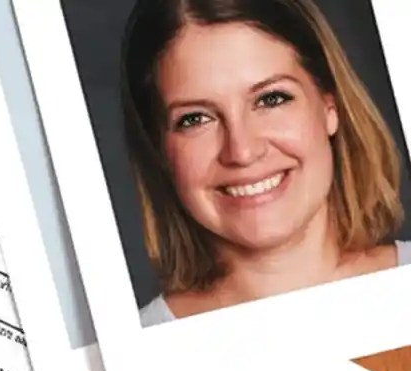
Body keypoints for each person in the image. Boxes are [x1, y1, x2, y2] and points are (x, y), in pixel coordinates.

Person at [119, 0, 407, 326]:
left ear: (330, 106)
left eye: (271, 99)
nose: (242, 151)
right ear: (159, 148)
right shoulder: (126, 360)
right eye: (196, 118)